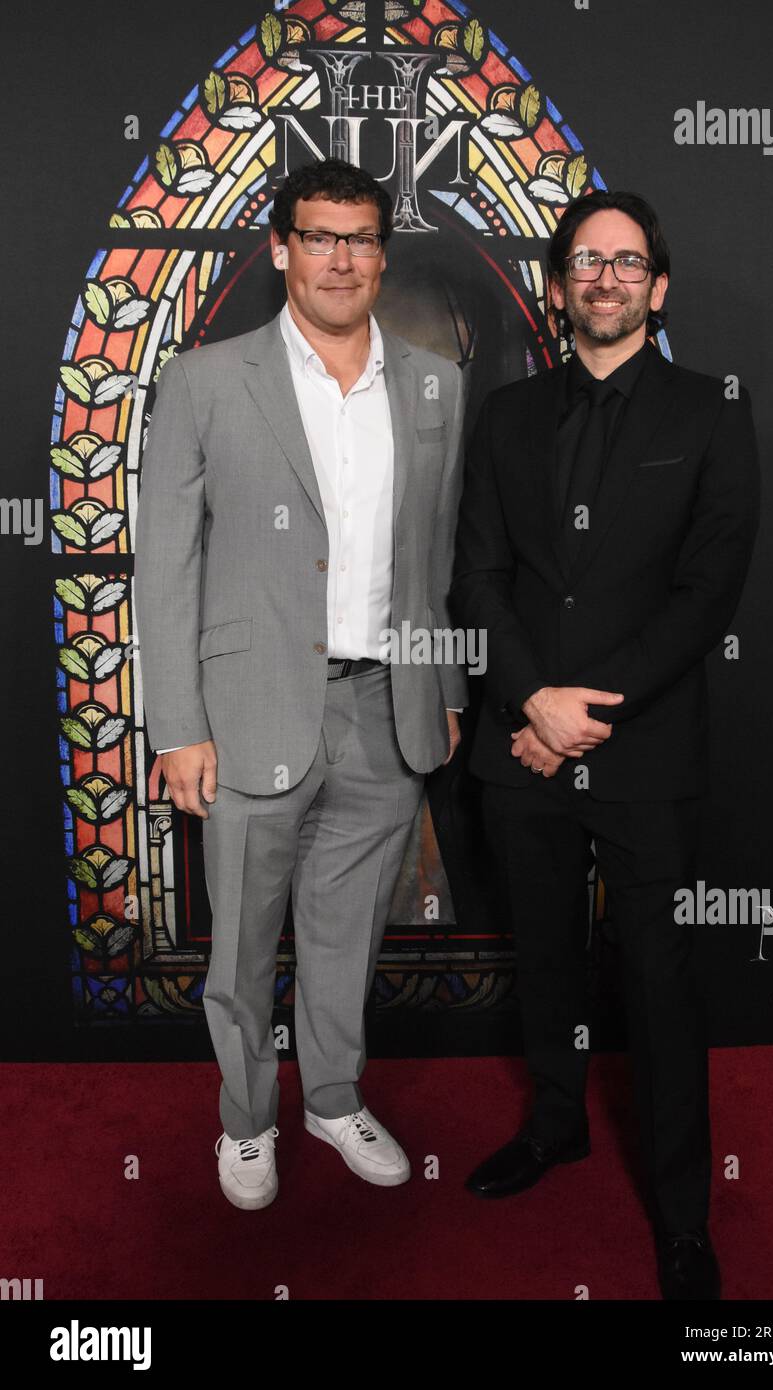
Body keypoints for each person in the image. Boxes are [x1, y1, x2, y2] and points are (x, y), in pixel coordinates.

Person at [135, 158, 467, 1211]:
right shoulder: (202, 380)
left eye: (361, 238)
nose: (340, 258)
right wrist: (176, 726)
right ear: (280, 248)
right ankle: (245, 1120)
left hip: (387, 710)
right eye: (318, 236)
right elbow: (166, 563)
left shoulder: (433, 384)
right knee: (238, 944)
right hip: (245, 714)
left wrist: (442, 688)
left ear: (381, 253)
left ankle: (330, 1095)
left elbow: (438, 555)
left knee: (345, 932)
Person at [450, 190, 759, 1299]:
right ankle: (552, 1126)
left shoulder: (709, 410)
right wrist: (531, 702)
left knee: (661, 979)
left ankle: (681, 1213)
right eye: (584, 259)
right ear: (555, 284)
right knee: (543, 957)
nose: (604, 276)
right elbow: (477, 576)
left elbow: (703, 591)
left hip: (642, 752)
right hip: (519, 749)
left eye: (625, 261)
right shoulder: (505, 417)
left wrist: (584, 712)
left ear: (656, 287)